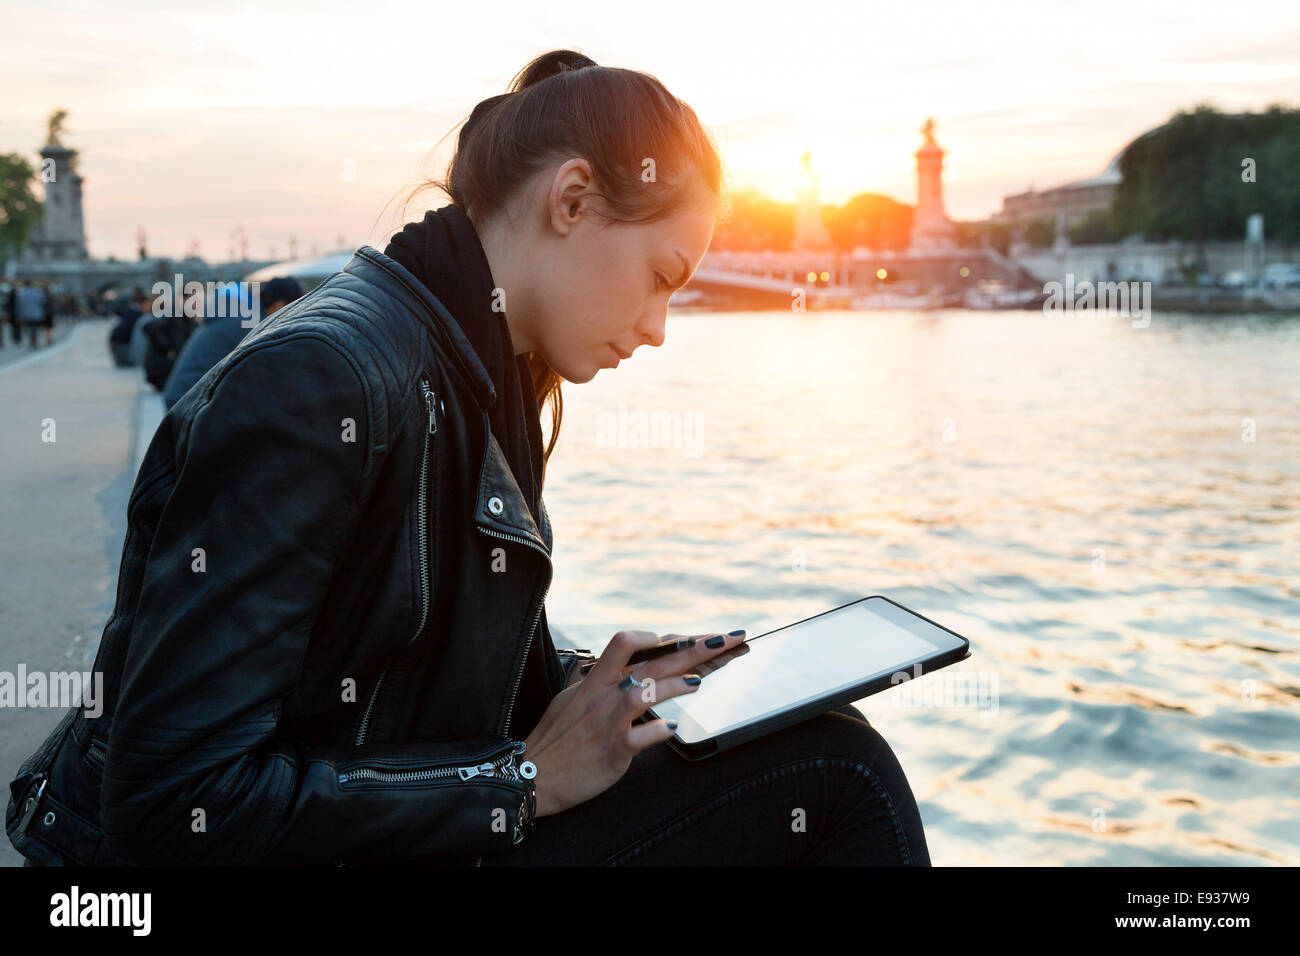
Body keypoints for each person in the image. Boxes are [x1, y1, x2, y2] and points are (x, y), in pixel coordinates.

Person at [8, 49, 929, 867]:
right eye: (661, 278)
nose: (656, 330)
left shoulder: (479, 367)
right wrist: (522, 782)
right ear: (571, 201)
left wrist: (591, 683)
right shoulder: (322, 383)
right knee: (834, 775)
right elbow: (174, 807)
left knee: (817, 743)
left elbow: (397, 670)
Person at [162, 277, 303, 410]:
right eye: (293, 311)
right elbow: (268, 375)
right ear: (280, 305)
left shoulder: (241, 315)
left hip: (184, 396)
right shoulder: (249, 324)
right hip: (189, 403)